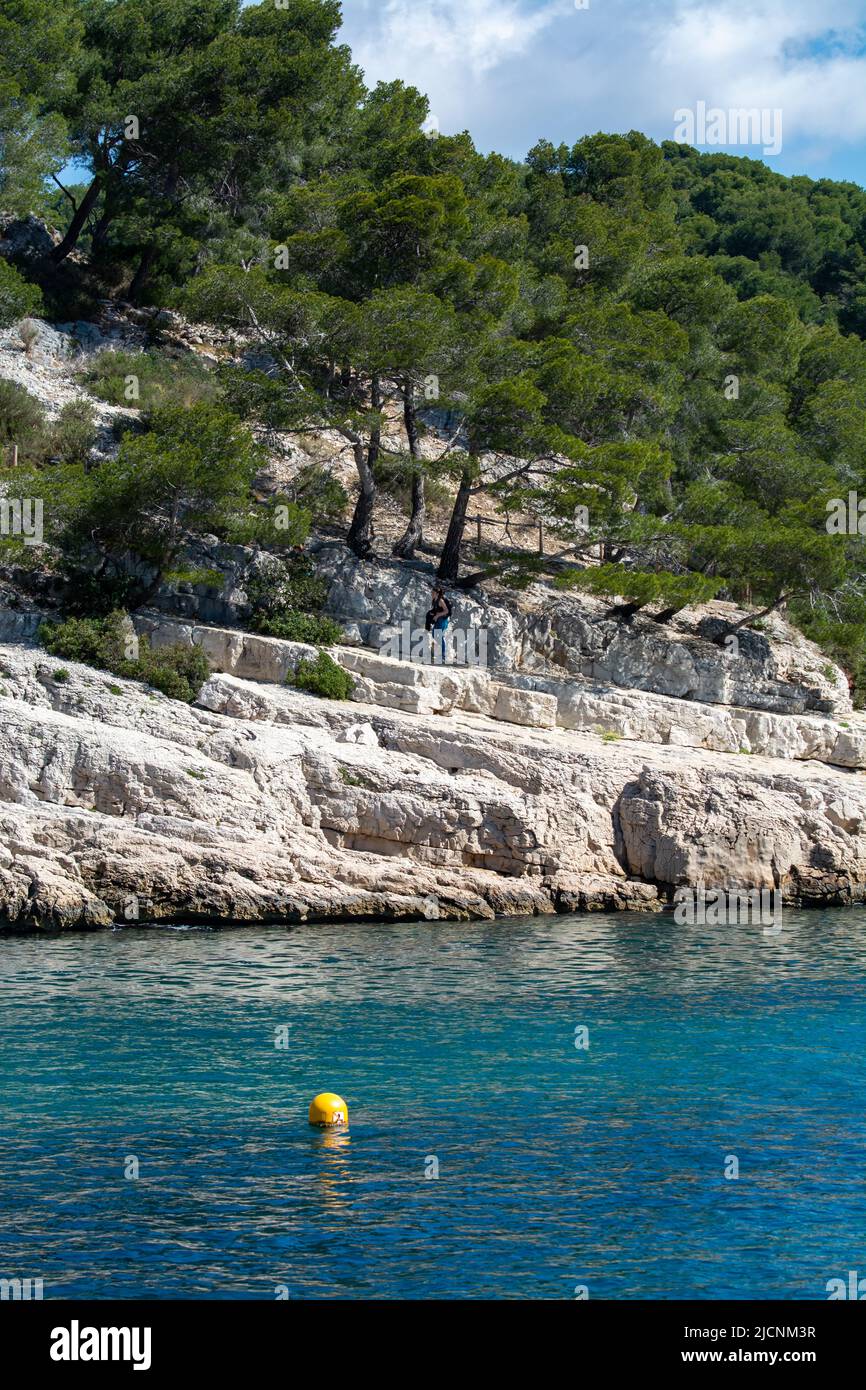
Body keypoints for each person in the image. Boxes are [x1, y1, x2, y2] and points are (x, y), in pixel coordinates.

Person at [425, 586, 452, 662]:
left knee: (439, 636)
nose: (431, 594)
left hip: (443, 620)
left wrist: (437, 615)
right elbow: (436, 609)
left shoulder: (440, 601)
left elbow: (446, 611)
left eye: (433, 593)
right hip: (438, 619)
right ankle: (441, 651)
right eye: (431, 592)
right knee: (434, 634)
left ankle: (443, 656)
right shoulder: (434, 600)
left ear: (437, 594)